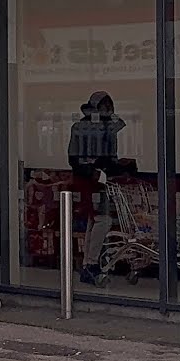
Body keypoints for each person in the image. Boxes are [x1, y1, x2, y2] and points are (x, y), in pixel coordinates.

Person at [66, 90, 125, 285]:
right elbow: (74, 158)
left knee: (95, 220)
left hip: (99, 180)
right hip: (90, 180)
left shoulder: (104, 128)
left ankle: (88, 265)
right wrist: (93, 169)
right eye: (105, 106)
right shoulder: (84, 128)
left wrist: (117, 167)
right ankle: (91, 264)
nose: (108, 110)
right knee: (102, 219)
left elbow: (110, 157)